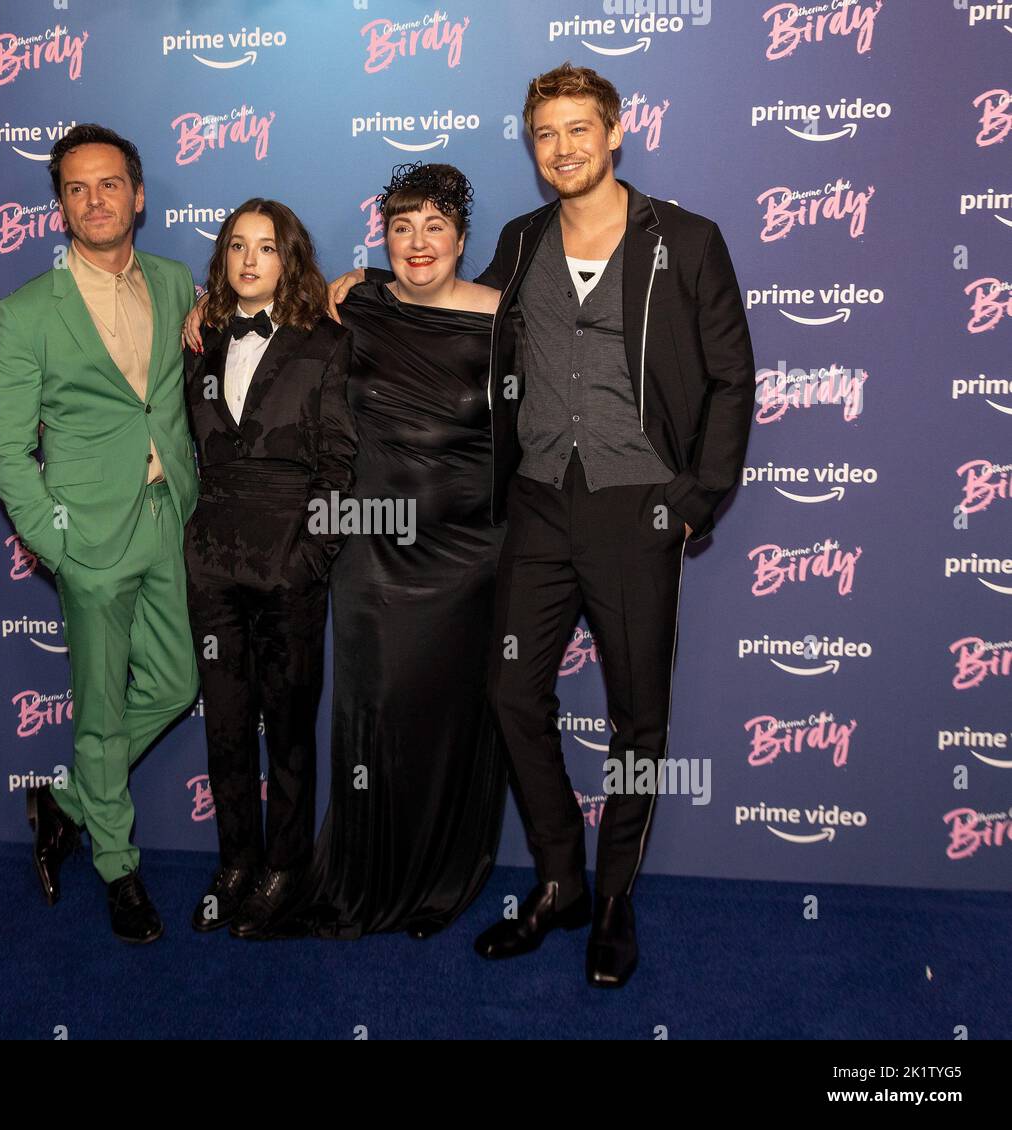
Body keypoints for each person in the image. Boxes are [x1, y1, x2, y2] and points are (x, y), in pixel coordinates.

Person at [333, 64, 754, 986]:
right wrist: (357, 287)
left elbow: (731, 379)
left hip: (636, 505)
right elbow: (446, 309)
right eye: (544, 135)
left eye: (577, 130)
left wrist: (694, 500)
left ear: (614, 132)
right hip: (535, 504)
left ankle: (613, 900)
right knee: (514, 695)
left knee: (639, 720)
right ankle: (560, 879)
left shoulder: (682, 240)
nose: (561, 149)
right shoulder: (523, 243)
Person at [0, 123, 200, 944]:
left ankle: (65, 801)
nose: (94, 200)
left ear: (138, 195)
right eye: (76, 189)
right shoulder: (28, 312)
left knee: (177, 683)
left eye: (109, 184)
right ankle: (118, 866)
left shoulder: (178, 282)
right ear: (59, 207)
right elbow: (6, 445)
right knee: (102, 712)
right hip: (87, 537)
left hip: (166, 516)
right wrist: (53, 542)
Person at [295, 163, 508, 939]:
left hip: (467, 557)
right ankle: (365, 874)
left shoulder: (504, 319)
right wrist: (200, 318)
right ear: (383, 237)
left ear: (461, 237)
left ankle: (442, 880)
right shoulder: (355, 300)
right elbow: (269, 326)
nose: (418, 244)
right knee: (376, 714)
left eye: (435, 228)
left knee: (450, 721)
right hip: (372, 552)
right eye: (401, 228)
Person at [183, 200, 357, 938]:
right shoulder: (200, 339)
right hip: (212, 562)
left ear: (290, 259)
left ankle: (286, 868)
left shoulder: (324, 344)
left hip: (288, 560)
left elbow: (341, 463)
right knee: (224, 726)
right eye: (236, 247)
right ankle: (234, 863)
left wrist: (309, 563)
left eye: (266, 248)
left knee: (287, 727)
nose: (249, 260)